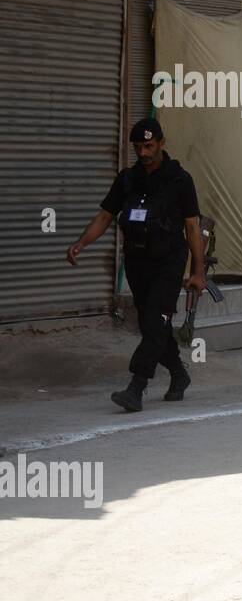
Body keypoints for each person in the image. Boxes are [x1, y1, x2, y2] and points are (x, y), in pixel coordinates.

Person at [66, 117, 205, 411]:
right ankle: (179, 375)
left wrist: (198, 271)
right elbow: (105, 216)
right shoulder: (127, 179)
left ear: (161, 143)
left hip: (169, 260)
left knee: (155, 320)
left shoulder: (180, 180)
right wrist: (81, 243)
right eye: (138, 147)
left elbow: (193, 227)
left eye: (149, 146)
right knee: (151, 325)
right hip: (137, 262)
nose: (143, 153)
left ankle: (136, 387)